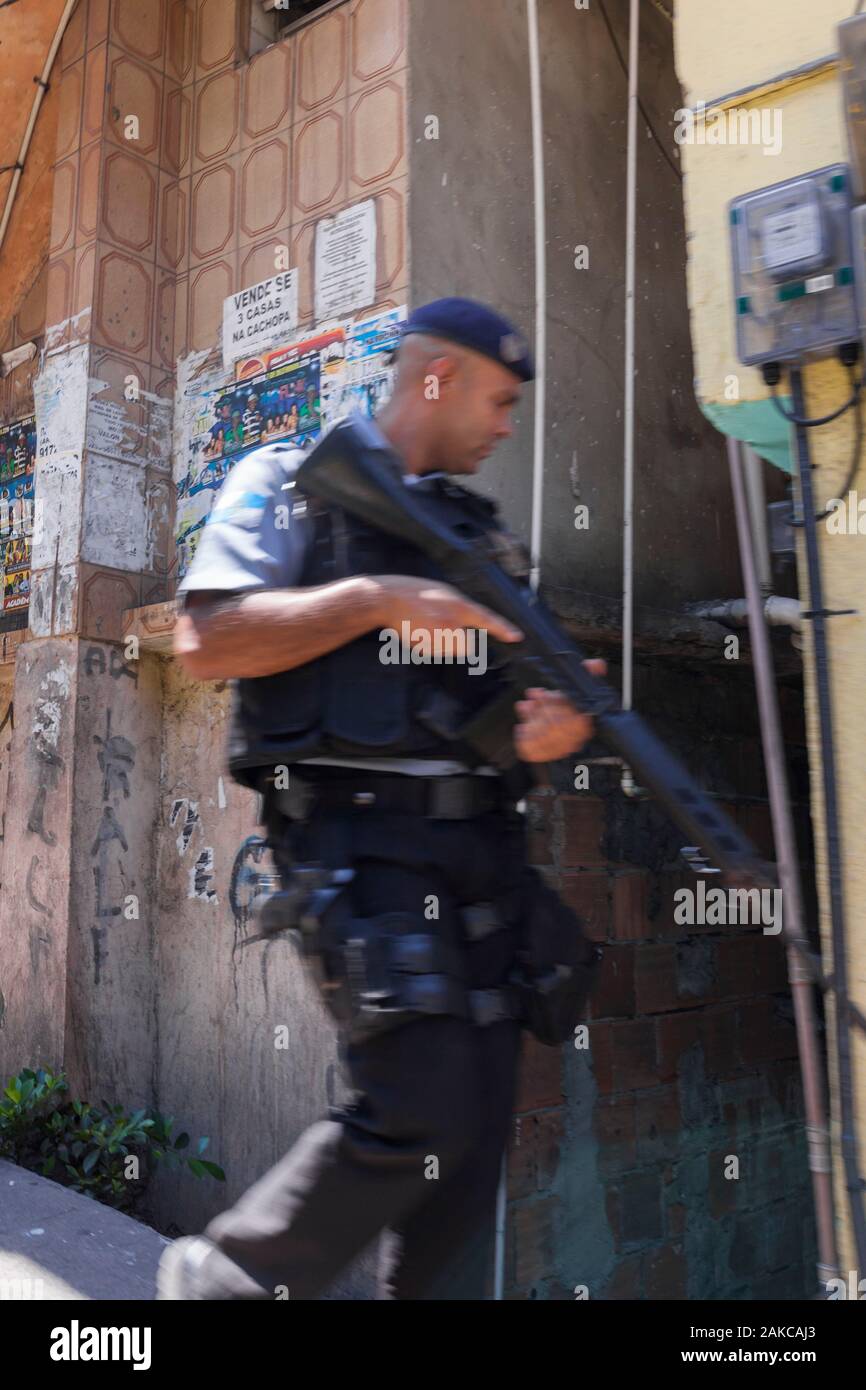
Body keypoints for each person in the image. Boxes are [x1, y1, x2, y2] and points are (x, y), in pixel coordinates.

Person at [160, 297, 603, 1301]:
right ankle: (225, 1279)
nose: (504, 425)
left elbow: (483, 724)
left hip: (485, 857)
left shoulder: (482, 539)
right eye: (496, 399)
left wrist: (539, 732)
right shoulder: (284, 484)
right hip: (361, 852)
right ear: (434, 376)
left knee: (475, 1141)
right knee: (424, 1104)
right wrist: (378, 599)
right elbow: (208, 638)